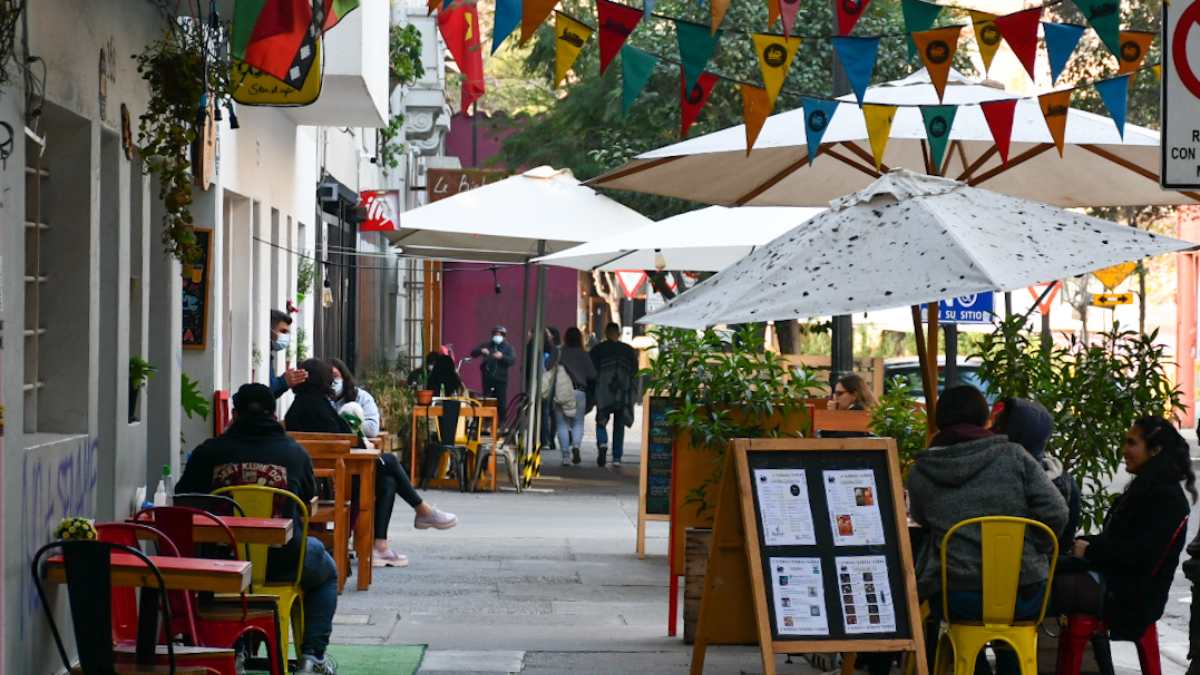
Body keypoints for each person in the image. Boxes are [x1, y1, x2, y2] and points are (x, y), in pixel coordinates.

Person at [176, 383, 338, 675]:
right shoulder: (294, 454)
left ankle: (232, 648)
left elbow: (183, 500)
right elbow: (305, 502)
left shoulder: (209, 452)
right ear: (274, 415)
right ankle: (312, 657)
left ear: (234, 415)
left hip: (220, 563)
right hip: (283, 563)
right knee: (327, 572)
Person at [907, 385, 1067, 675]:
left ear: (939, 420)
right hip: (1023, 594)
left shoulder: (922, 470)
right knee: (1014, 638)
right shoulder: (1015, 456)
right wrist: (1032, 545)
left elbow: (920, 517)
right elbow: (1056, 511)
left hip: (958, 596)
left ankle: (971, 666)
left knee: (955, 623)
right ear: (984, 419)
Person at [286, 359, 458, 568]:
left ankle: (383, 545)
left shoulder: (294, 409)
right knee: (390, 465)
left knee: (387, 478)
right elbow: (351, 439)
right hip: (337, 483)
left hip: (315, 483)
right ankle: (418, 514)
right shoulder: (320, 406)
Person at [1053, 417, 1195, 642]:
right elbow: (1118, 541)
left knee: (1039, 588)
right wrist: (1082, 543)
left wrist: (1088, 551)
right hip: (1118, 586)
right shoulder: (1146, 488)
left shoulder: (1165, 498)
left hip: (1130, 600)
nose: (1124, 450)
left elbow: (1139, 556)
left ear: (1155, 450)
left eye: (1132, 443)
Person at [991, 398, 1081, 544]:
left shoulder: (989, 471)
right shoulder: (1064, 481)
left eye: (999, 425)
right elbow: (1064, 541)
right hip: (1042, 564)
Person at [590, 322, 638, 468]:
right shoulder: (628, 351)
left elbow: (591, 371)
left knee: (601, 421)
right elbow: (635, 372)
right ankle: (617, 457)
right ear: (618, 334)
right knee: (619, 424)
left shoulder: (598, 349)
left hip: (603, 391)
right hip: (622, 392)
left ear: (605, 333)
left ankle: (603, 443)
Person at [555, 327, 597, 465]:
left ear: (565, 338)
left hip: (561, 391)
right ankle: (576, 446)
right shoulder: (584, 354)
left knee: (562, 424)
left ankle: (565, 456)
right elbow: (592, 374)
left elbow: (547, 366)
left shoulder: (559, 352)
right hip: (579, 391)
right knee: (578, 422)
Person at [471, 325, 516, 422]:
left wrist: (502, 357)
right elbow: (473, 353)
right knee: (487, 401)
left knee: (501, 402)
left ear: (504, 336)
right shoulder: (487, 345)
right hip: (488, 378)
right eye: (495, 334)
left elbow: (512, 360)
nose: (497, 336)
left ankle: (501, 424)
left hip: (501, 379)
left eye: (500, 334)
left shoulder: (508, 347)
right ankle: (486, 424)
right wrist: (481, 351)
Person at [269, 309, 308, 398]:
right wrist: (283, 382)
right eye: (283, 331)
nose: (285, 336)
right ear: (269, 330)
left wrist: (284, 383)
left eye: (287, 333)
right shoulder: (262, 356)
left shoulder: (269, 355)